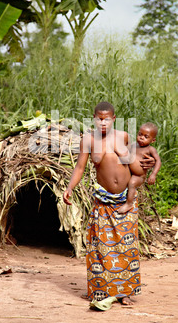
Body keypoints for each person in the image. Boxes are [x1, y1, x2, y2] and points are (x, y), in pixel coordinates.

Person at [63, 102, 155, 306]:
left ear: (113, 119)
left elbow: (138, 158)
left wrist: (148, 165)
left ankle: (125, 292)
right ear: (94, 118)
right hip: (104, 200)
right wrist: (70, 188)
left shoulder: (123, 136)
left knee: (126, 245)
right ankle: (101, 290)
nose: (102, 122)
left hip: (125, 198)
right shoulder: (88, 140)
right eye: (99, 118)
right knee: (101, 247)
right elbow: (79, 167)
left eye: (107, 118)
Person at [117, 122, 161, 214]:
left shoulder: (150, 149)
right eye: (140, 134)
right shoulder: (133, 145)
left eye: (146, 136)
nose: (141, 138)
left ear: (153, 140)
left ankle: (129, 203)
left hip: (139, 176)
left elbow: (158, 161)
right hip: (128, 173)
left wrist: (153, 174)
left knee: (132, 183)